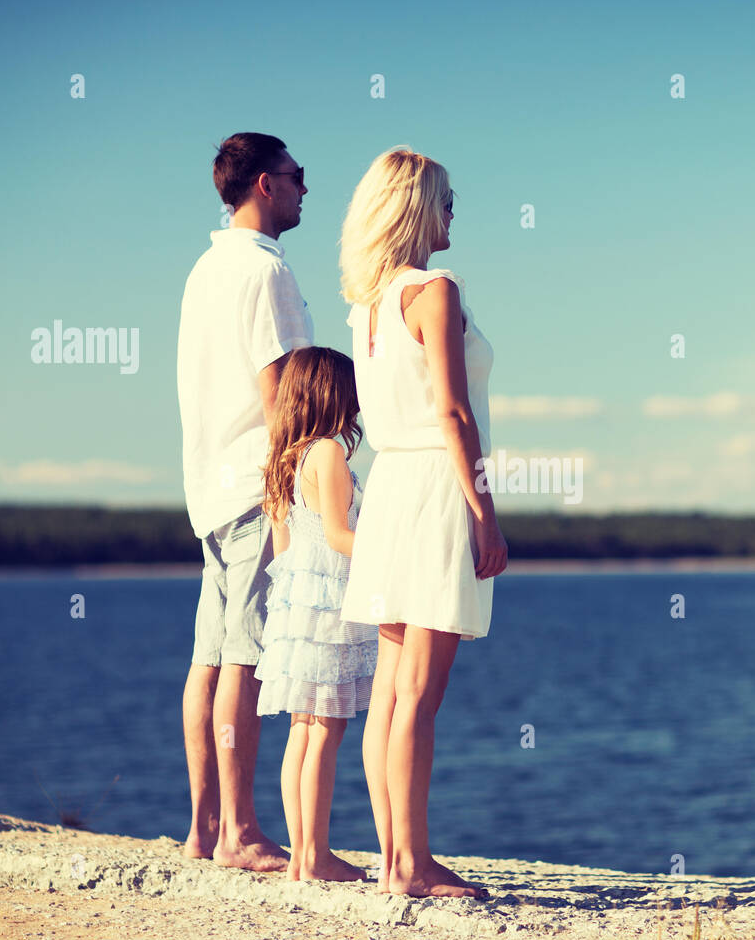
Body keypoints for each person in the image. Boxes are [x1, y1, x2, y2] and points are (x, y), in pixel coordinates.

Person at [338, 146, 509, 899]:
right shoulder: (434, 292)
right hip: (436, 489)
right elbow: (453, 411)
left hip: (389, 490)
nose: (452, 214)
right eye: (444, 201)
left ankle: (392, 858)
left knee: (390, 694)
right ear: (414, 209)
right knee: (420, 697)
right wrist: (485, 512)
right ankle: (411, 864)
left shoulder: (365, 309)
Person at [176, 132, 311, 871]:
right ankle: (241, 834)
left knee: (209, 657)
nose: (304, 189)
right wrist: (297, 485)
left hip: (208, 487)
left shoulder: (204, 269)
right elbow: (279, 392)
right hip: (256, 486)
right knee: (247, 657)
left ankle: (202, 830)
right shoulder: (266, 273)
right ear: (266, 183)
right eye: (297, 175)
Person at [254, 346, 377, 882]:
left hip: (293, 608)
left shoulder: (285, 458)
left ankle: (301, 855)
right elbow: (338, 535)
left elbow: (283, 547)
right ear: (333, 394)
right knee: (326, 729)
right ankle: (316, 856)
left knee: (302, 731)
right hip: (328, 604)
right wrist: (390, 550)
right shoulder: (327, 453)